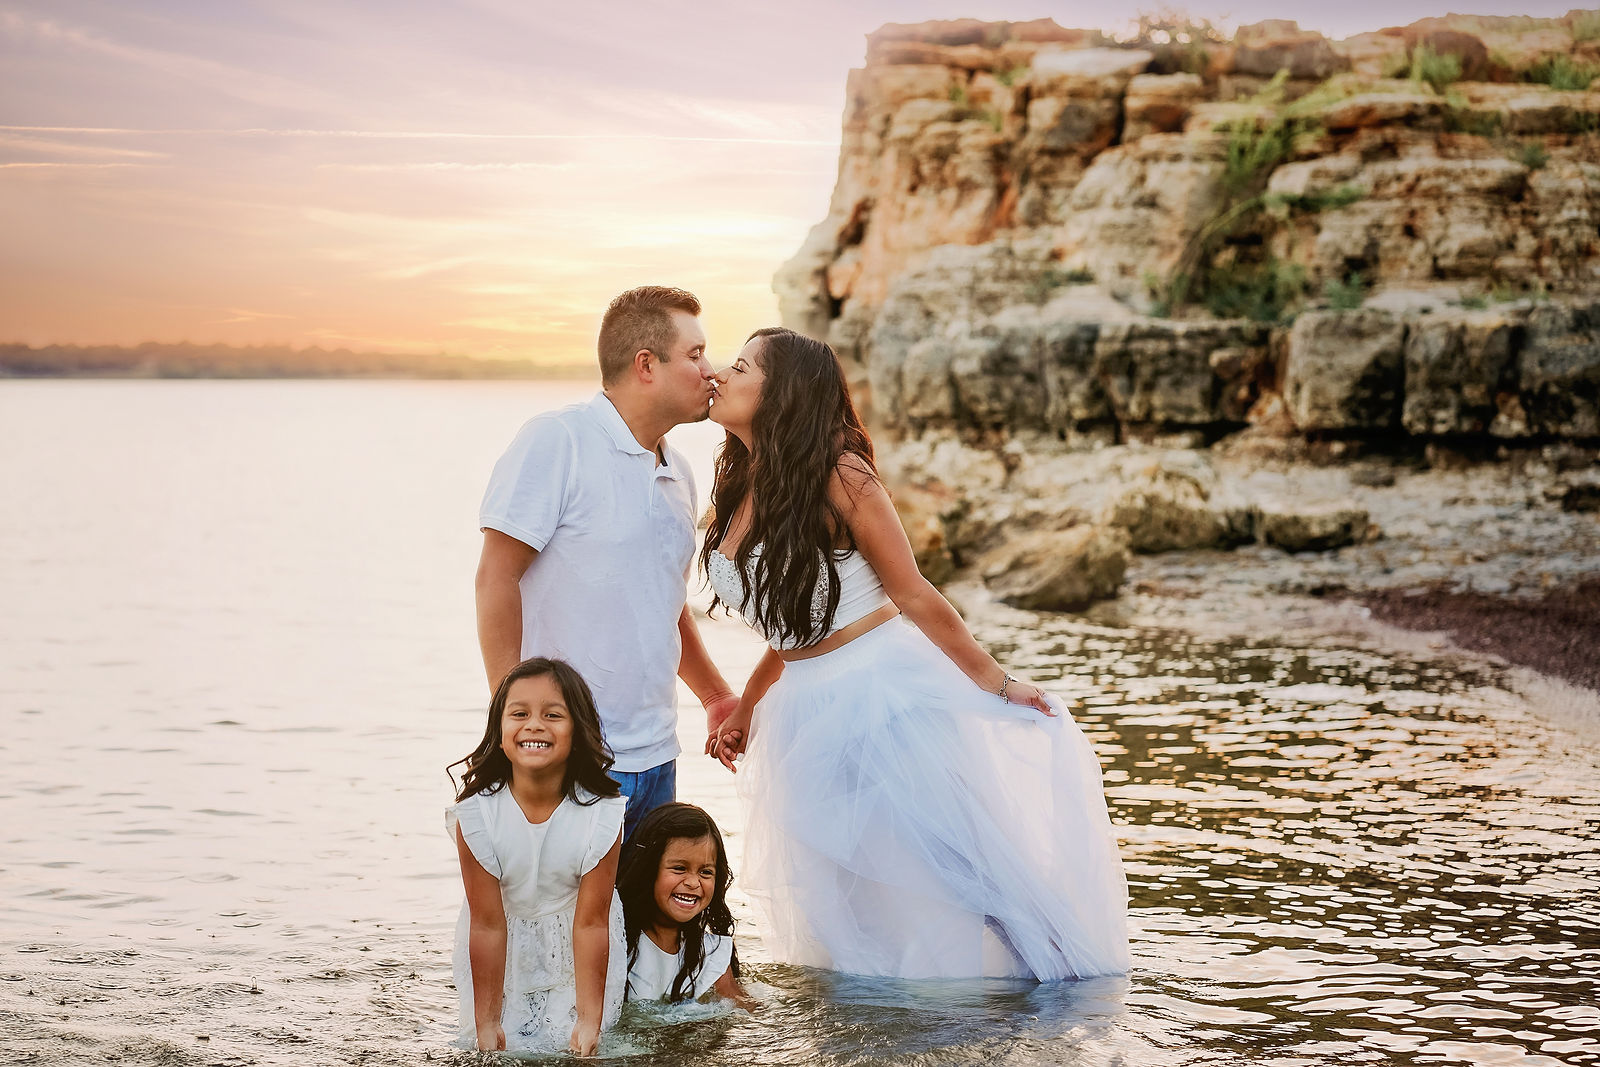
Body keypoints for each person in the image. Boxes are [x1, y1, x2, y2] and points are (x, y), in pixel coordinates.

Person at [702, 328, 1130, 981]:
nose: (721, 375)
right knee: (852, 896)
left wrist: (995, 681)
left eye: (740, 366)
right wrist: (747, 705)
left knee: (932, 874)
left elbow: (912, 590)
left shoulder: (840, 473)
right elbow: (792, 630)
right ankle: (884, 1026)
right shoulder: (741, 485)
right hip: (803, 708)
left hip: (877, 695)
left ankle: (1013, 1000)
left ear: (781, 391)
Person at [475, 286, 740, 841]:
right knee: (566, 925)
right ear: (647, 364)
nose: (711, 372)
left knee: (641, 928)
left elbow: (664, 604)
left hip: (657, 754)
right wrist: (516, 727)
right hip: (568, 755)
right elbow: (496, 579)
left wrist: (715, 697)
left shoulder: (680, 472)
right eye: (695, 355)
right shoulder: (558, 441)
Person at [445, 657, 627, 1055]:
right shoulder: (476, 817)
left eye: (553, 714)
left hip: (578, 937)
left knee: (575, 1044)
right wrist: (487, 1023)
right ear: (500, 729)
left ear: (578, 730)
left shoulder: (602, 815)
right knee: (500, 1045)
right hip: (502, 943)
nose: (534, 725)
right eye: (520, 713)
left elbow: (592, 923)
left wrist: (588, 1019)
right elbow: (487, 925)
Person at [616, 802, 755, 1010]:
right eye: (680, 868)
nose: (693, 882)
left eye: (705, 872)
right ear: (648, 870)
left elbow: (746, 1011)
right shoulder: (618, 942)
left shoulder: (711, 953)